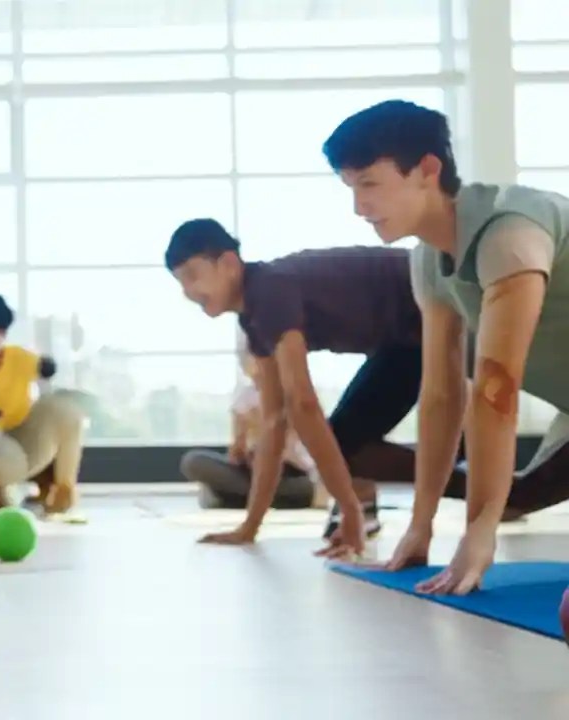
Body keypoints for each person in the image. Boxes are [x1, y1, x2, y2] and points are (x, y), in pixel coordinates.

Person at [322, 99, 569, 595]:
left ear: (427, 170)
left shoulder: (511, 233)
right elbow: (441, 396)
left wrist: (480, 534)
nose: (359, 207)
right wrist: (421, 525)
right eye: (351, 188)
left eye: (369, 183)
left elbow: (496, 391)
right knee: (518, 494)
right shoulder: (428, 262)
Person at [165, 220, 424, 558]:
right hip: (404, 341)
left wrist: (349, 509)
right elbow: (275, 420)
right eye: (181, 283)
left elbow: (303, 403)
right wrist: (250, 527)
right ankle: (489, 481)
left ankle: (485, 482)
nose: (188, 291)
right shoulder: (254, 319)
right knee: (344, 443)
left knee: (343, 441)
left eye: (192, 276)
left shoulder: (269, 290)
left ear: (228, 263)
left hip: (434, 302)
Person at [0, 294, 86, 514]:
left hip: (25, 437)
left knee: (66, 411)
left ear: (2, 336)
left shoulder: (18, 358)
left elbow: (45, 369)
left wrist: (48, 366)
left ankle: (63, 490)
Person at [179, 328, 324, 511]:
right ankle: (256, 496)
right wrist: (242, 448)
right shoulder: (243, 400)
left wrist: (266, 434)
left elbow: (293, 453)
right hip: (252, 471)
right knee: (193, 461)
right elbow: (236, 452)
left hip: (290, 471)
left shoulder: (294, 393)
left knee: (303, 488)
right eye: (251, 358)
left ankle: (234, 496)